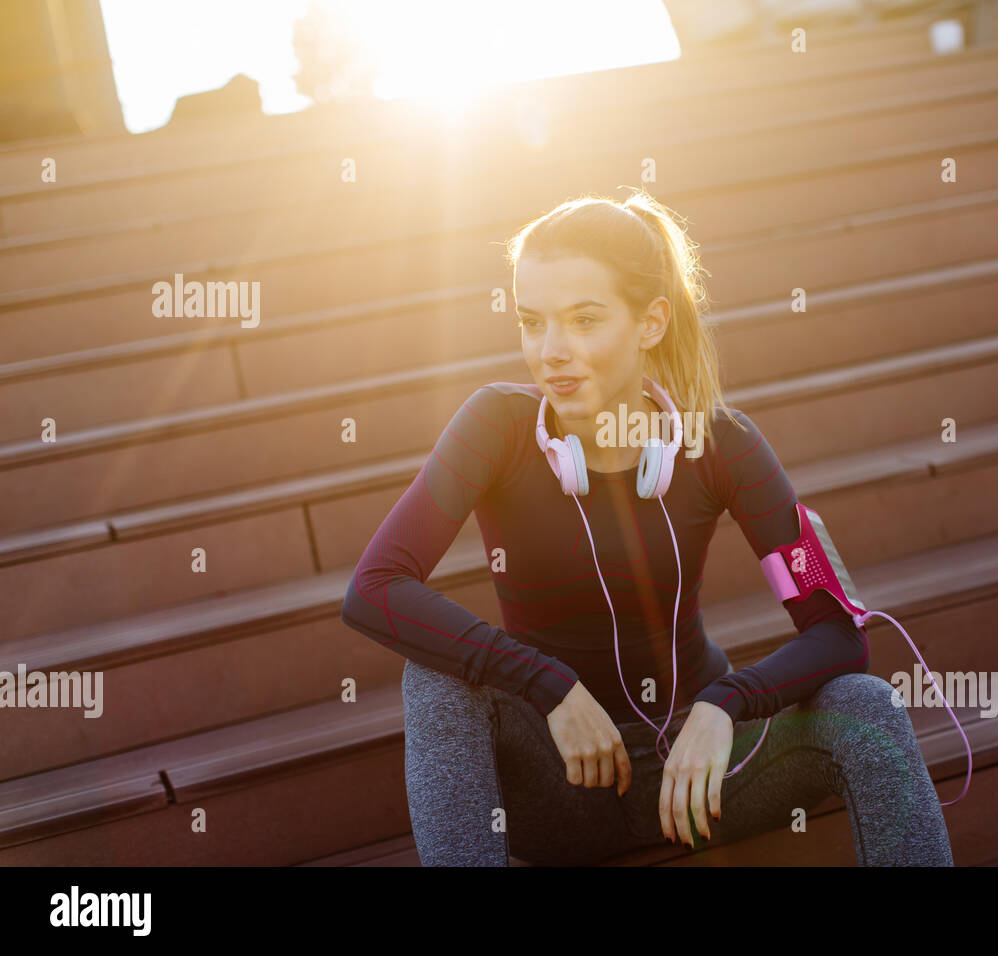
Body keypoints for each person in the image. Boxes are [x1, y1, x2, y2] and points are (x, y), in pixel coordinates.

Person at [339, 189, 954, 866]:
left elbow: (839, 634)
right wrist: (549, 686)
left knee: (866, 704)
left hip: (704, 779)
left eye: (583, 320)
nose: (551, 352)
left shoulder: (719, 442)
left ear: (651, 322)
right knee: (432, 681)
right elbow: (374, 588)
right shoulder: (494, 428)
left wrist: (726, 704)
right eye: (532, 321)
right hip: (560, 786)